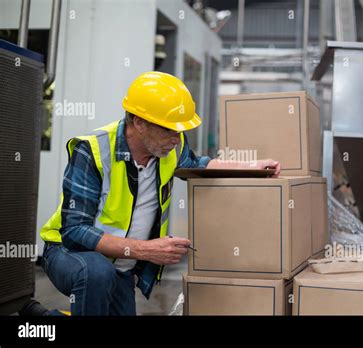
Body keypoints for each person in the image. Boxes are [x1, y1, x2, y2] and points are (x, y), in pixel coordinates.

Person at [39, 72, 280, 315]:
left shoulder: (172, 148)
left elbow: (200, 164)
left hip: (120, 266)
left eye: (180, 131)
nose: (177, 139)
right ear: (139, 123)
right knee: (96, 273)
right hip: (70, 253)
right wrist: (146, 250)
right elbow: (74, 231)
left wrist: (253, 166)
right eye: (169, 130)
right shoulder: (92, 150)